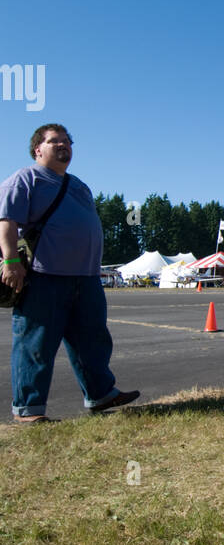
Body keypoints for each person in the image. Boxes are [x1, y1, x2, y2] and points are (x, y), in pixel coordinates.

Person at [0, 124, 140, 424]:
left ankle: (101, 394)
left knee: (92, 341)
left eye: (67, 141)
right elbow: (7, 221)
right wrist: (10, 261)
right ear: (38, 149)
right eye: (55, 141)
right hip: (44, 276)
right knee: (35, 344)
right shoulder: (27, 178)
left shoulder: (78, 185)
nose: (63, 145)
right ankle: (29, 411)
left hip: (86, 278)